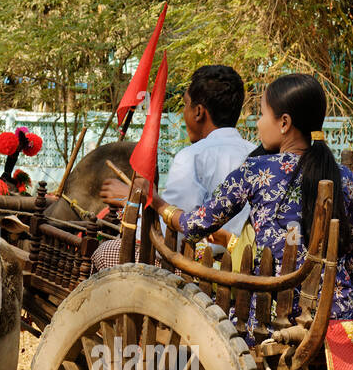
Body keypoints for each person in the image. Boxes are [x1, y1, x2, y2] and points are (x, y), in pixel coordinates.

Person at [153, 72, 353, 321]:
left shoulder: (257, 170)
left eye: (262, 114)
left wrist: (159, 204)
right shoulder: (345, 176)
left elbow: (194, 226)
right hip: (339, 311)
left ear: (284, 123)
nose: (258, 123)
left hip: (273, 314)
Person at [94, 64, 255, 270]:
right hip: (245, 267)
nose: (184, 113)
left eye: (186, 105)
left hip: (199, 270)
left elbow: (171, 234)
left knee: (106, 251)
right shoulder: (257, 154)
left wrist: (132, 203)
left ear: (198, 112)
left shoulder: (192, 156)